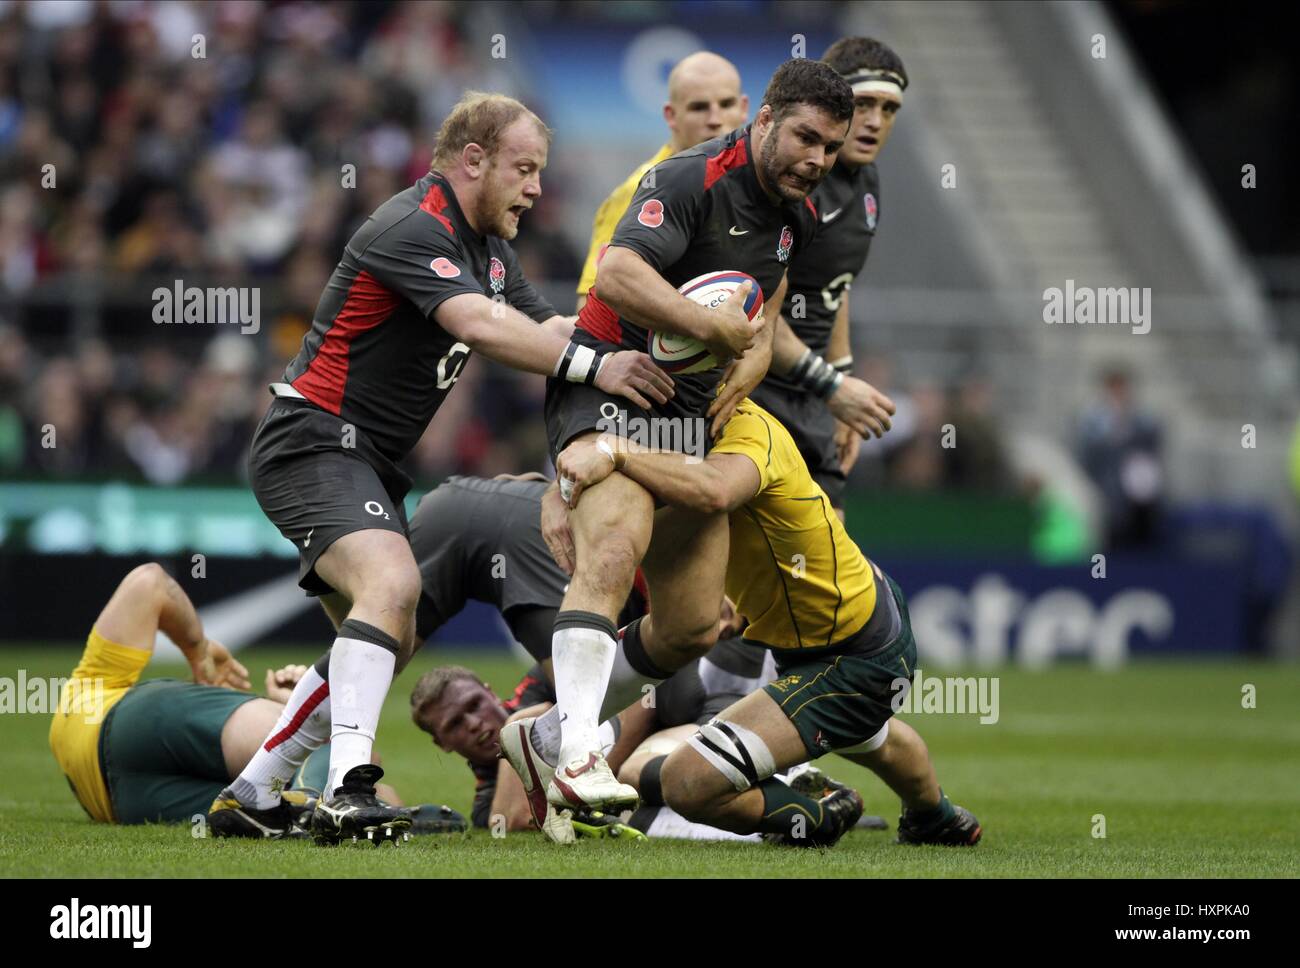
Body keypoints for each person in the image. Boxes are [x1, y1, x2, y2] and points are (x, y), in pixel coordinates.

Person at [209, 91, 671, 845]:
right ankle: (349, 791)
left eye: (541, 173)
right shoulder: (409, 224)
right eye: (524, 170)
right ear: (473, 160)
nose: (535, 189)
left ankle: (254, 792)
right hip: (312, 441)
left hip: (365, 464)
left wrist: (649, 340)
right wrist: (596, 365)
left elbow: (539, 326)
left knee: (384, 637)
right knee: (393, 587)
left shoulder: (488, 251)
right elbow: (480, 326)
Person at [539, 59, 854, 816]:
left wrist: (748, 357)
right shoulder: (688, 180)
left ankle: (550, 732)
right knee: (614, 549)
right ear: (768, 117)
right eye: (806, 137)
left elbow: (768, 302)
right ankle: (582, 754)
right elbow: (615, 275)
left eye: (831, 148)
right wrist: (707, 327)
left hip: (691, 416)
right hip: (612, 394)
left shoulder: (797, 214)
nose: (817, 159)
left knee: (687, 628)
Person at [552, 399, 982, 847]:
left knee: (686, 783)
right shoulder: (690, 433)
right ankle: (936, 817)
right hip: (847, 624)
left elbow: (714, 490)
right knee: (870, 737)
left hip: (850, 652)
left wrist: (614, 450)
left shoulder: (748, 430)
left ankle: (817, 816)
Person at [48, 564, 463, 837]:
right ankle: (346, 790)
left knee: (264, 808)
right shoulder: (103, 687)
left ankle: (346, 800)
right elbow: (150, 582)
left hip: (113, 802)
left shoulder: (91, 685)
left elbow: (149, 581)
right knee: (334, 761)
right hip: (129, 734)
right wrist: (199, 650)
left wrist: (199, 649)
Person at [758, 37, 907, 518]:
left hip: (813, 399)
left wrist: (839, 378)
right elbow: (752, 308)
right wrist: (833, 387)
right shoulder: (795, 184)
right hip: (751, 393)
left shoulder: (869, 183)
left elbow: (838, 287)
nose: (875, 121)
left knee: (827, 582)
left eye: (889, 108)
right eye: (864, 104)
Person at [575, 51, 749, 313]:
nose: (715, 120)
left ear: (744, 108)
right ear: (670, 115)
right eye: (699, 107)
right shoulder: (638, 190)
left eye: (726, 104)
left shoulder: (756, 184)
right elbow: (590, 304)